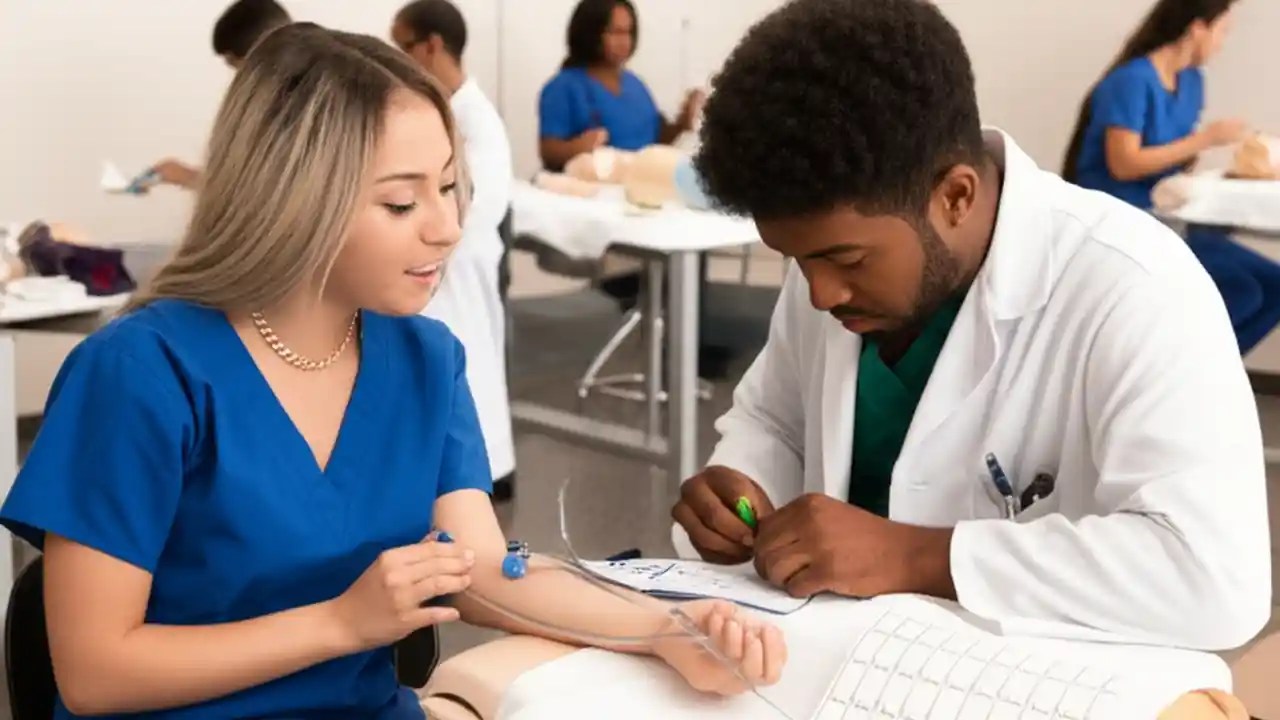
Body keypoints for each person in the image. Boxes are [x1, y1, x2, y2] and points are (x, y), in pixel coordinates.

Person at [0, 24, 785, 720]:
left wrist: (670, 629)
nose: (446, 227)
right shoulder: (141, 373)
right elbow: (96, 672)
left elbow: (483, 570)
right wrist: (340, 625)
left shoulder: (424, 360)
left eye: (447, 186)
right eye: (402, 203)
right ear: (294, 202)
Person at [671, 0, 1270, 651]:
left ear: (955, 195)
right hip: (837, 658)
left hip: (1041, 681)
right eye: (795, 260)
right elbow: (777, 420)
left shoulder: (1134, 287)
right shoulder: (832, 264)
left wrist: (919, 557)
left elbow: (1216, 581)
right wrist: (744, 486)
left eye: (843, 260)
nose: (818, 293)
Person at [1063, 0, 1280, 354]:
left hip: (1167, 220)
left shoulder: (1192, 81)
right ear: (1197, 29)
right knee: (1243, 290)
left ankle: (1205, 374)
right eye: (1222, 31)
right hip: (1120, 222)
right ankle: (1174, 370)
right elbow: (1124, 164)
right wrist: (1206, 139)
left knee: (1274, 285)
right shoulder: (1131, 81)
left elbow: (1175, 156)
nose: (1222, 43)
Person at [393, 0, 517, 502]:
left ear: (431, 46)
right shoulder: (444, 116)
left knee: (469, 398)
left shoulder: (475, 124)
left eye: (402, 47)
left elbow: (466, 217)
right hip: (439, 284)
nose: (397, 60)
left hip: (457, 282)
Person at [537, 0, 703, 172]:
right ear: (590, 33)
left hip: (633, 190)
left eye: (629, 32)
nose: (624, 41)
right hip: (588, 193)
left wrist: (681, 124)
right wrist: (576, 148)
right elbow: (548, 152)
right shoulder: (563, 87)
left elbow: (653, 142)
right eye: (616, 32)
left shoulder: (636, 85)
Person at [149, 0, 293, 191]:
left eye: (236, 66)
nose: (238, 79)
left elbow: (266, 193)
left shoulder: (293, 110)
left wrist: (189, 177)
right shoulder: (304, 93)